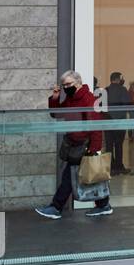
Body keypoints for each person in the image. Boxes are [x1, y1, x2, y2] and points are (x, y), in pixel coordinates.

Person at [35, 70, 107, 219]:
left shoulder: (89, 99)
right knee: (87, 175)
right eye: (64, 85)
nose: (66, 87)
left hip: (84, 145)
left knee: (71, 176)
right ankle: (103, 205)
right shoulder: (70, 98)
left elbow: (96, 125)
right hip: (74, 144)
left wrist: (94, 149)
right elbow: (56, 114)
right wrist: (55, 98)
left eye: (69, 84)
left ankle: (56, 207)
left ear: (78, 82)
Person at [103, 71, 134, 175]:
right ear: (117, 79)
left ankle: (109, 168)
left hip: (107, 121)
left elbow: (102, 107)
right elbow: (128, 104)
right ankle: (119, 167)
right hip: (120, 121)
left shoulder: (105, 90)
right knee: (119, 144)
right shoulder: (123, 89)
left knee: (108, 145)